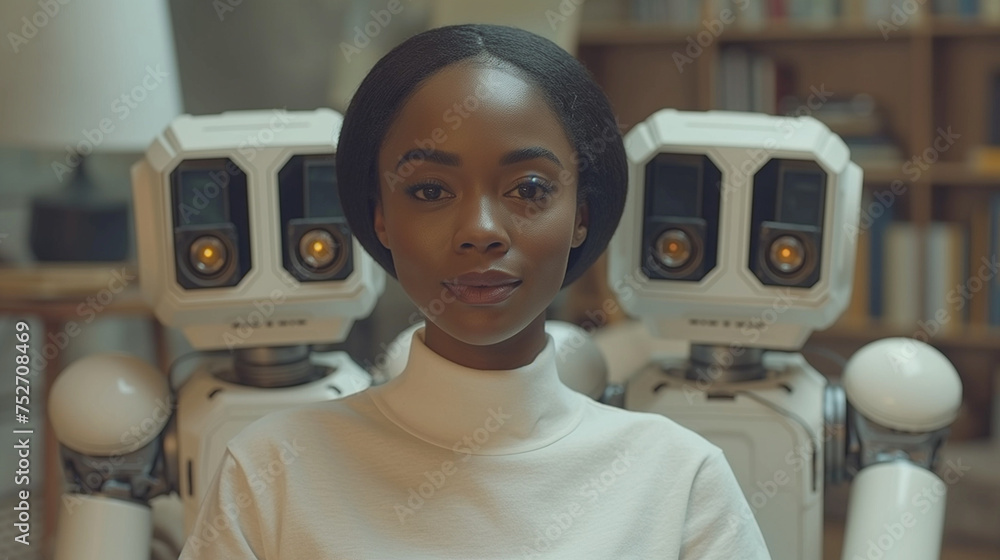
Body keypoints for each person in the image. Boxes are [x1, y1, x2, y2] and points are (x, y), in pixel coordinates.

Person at [179, 24, 770, 559]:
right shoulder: (271, 471)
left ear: (581, 216)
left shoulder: (677, 479)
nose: (481, 231)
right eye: (431, 191)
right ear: (380, 216)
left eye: (529, 188)